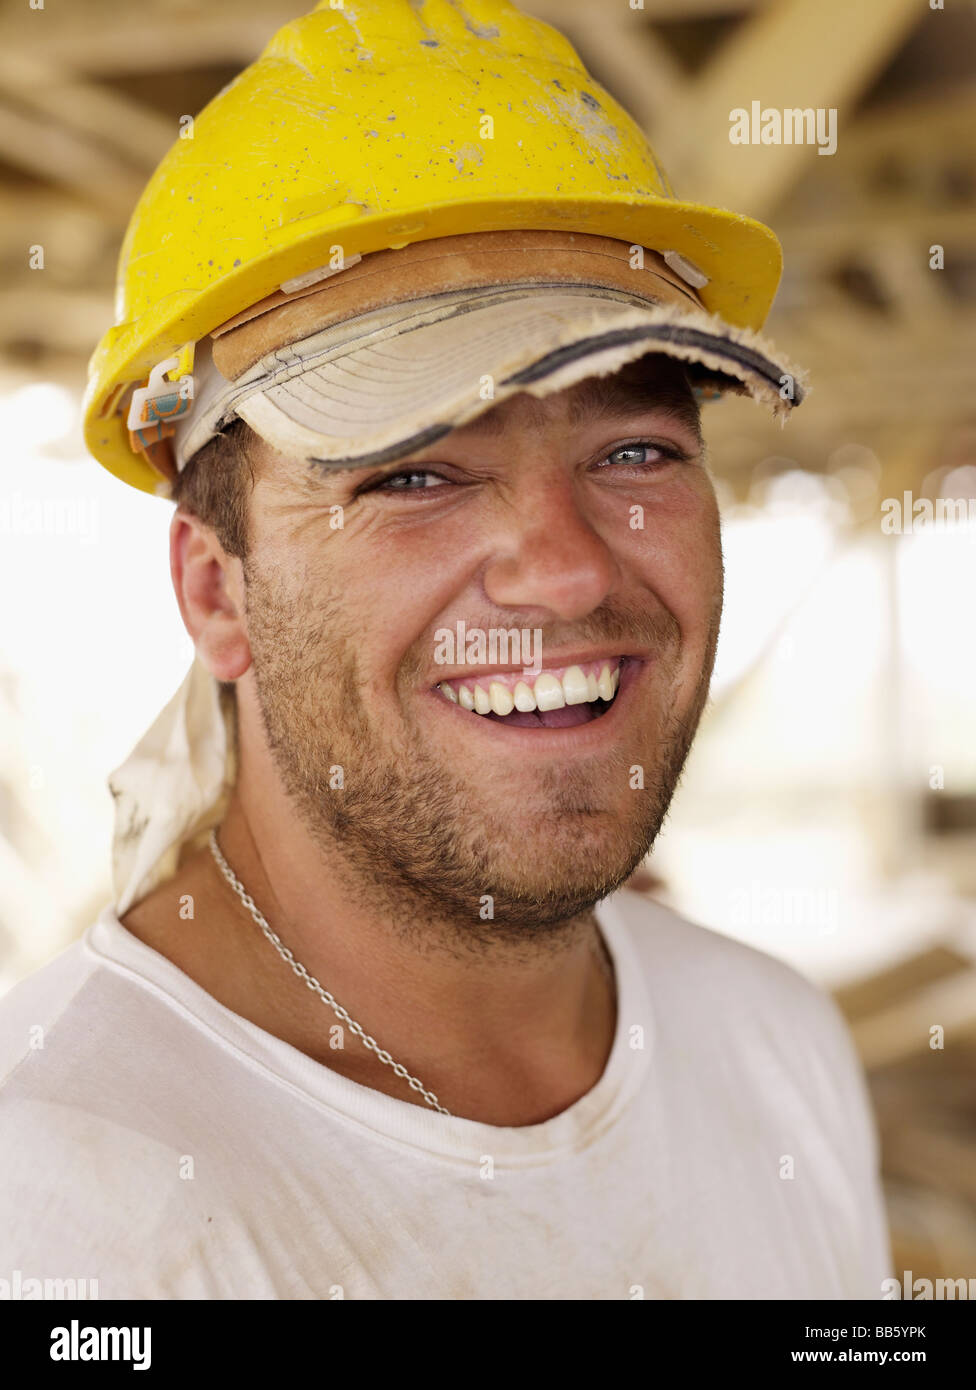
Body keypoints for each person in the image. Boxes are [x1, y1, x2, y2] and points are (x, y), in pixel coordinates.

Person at [0, 0, 892, 1299]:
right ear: (217, 591)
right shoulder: (62, 1213)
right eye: (415, 472)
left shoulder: (777, 1048)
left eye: (635, 450)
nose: (574, 565)